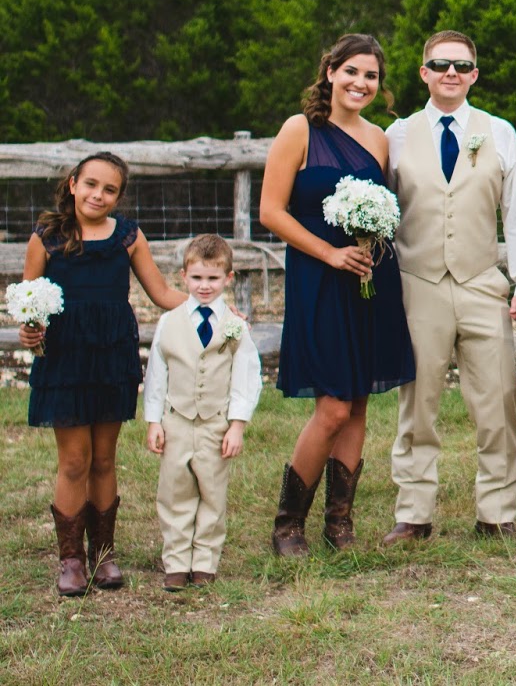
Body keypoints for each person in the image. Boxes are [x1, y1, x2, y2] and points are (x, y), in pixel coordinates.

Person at [382, 31, 516, 546]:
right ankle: (413, 513)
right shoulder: (398, 135)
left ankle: (497, 512)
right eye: (440, 63)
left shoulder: (499, 132)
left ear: (474, 75)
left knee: (497, 400)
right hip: (417, 282)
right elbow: (381, 210)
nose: (450, 72)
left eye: (461, 65)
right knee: (418, 402)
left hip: (481, 283)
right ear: (423, 72)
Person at [260, 33, 416, 556]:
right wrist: (328, 254)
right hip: (320, 278)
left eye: (371, 75)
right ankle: (288, 524)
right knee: (332, 406)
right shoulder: (300, 130)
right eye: (351, 71)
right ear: (330, 72)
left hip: (370, 280)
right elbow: (272, 211)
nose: (361, 83)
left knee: (359, 404)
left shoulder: (379, 139)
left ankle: (340, 523)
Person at [18, 153, 189, 597]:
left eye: (109, 189)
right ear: (73, 184)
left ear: (119, 196)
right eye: (90, 184)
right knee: (74, 459)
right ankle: (71, 558)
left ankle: (105, 553)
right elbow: (28, 300)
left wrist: (211, 307)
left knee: (104, 457)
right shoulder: (46, 238)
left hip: (112, 355)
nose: (98, 195)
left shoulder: (128, 237)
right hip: (65, 359)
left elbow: (162, 292)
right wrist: (28, 328)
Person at [143, 234, 263, 590]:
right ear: (184, 277)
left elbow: (246, 378)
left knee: (212, 492)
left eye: (213, 278)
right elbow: (156, 375)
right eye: (197, 278)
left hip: (215, 423)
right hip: (176, 420)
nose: (204, 286)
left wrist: (236, 425)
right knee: (175, 491)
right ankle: (177, 562)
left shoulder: (235, 326)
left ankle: (206, 561)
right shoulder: (169, 322)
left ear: (228, 278)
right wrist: (154, 421)